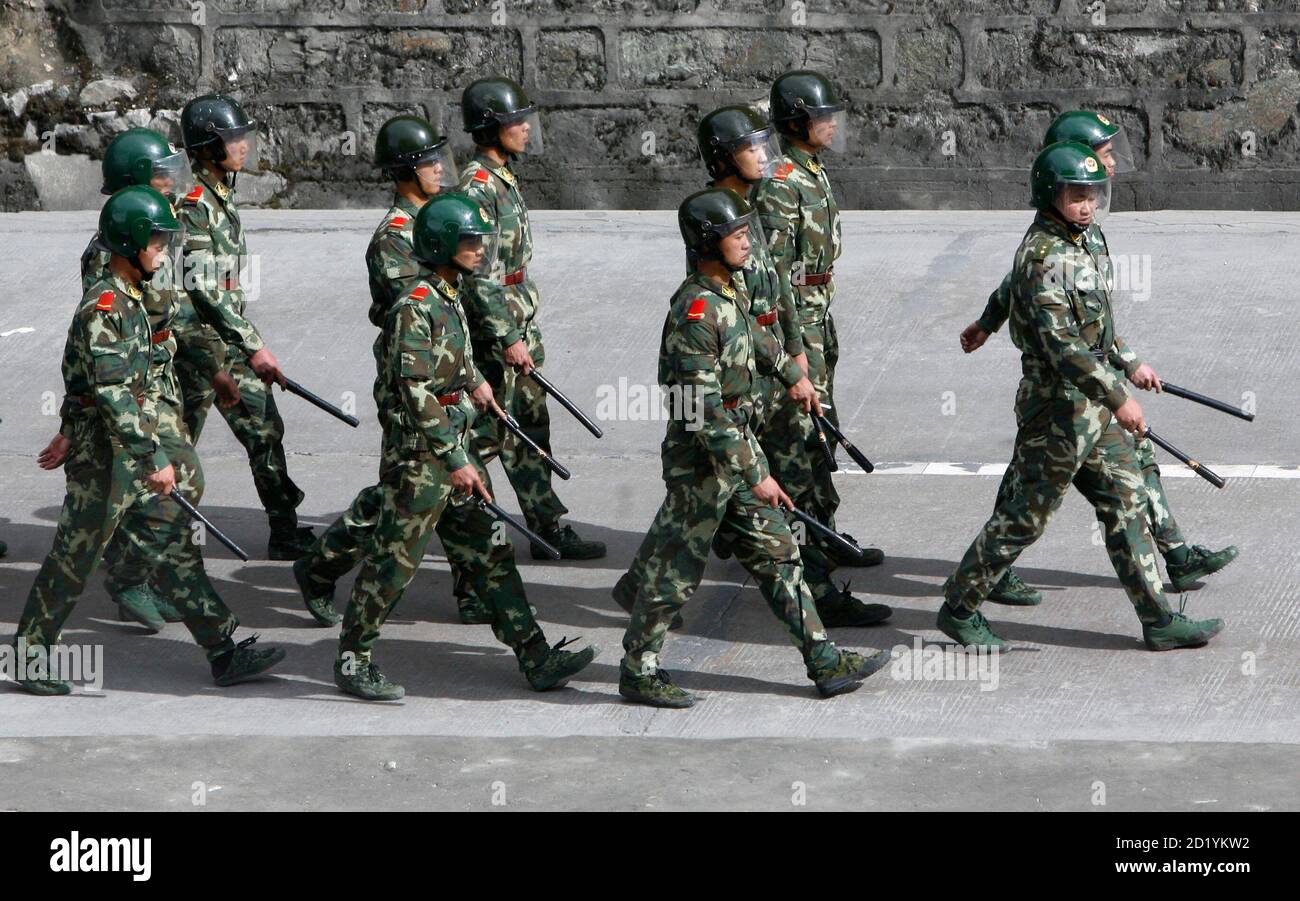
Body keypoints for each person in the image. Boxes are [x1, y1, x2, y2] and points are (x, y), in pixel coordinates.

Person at [938, 142, 1225, 652]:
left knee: (1127, 501)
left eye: (1093, 195)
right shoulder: (1043, 257)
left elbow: (1097, 325)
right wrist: (1118, 397)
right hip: (1057, 409)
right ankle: (959, 607)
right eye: (1076, 195)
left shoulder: (1084, 239)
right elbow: (1064, 346)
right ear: (1049, 195)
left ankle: (1159, 620)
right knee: (1026, 516)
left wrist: (1128, 362)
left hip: (1092, 403)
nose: (1088, 205)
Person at [617, 188, 890, 708]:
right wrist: (756, 473)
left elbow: (757, 340)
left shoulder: (729, 292)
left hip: (738, 453)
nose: (747, 243)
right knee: (674, 574)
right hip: (703, 465)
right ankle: (638, 671)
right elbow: (700, 410)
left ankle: (825, 663)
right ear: (707, 242)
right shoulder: (695, 313)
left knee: (780, 553)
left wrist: (792, 375)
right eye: (737, 235)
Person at [15, 186, 286, 695]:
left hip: (128, 443)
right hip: (108, 455)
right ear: (130, 244)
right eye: (157, 243)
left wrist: (75, 430)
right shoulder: (105, 308)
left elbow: (98, 378)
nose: (164, 253)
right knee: (75, 555)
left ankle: (223, 649)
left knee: (173, 534)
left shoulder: (134, 298)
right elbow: (111, 392)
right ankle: (30, 655)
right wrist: (151, 457)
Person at [333, 193, 597, 700]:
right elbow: (414, 390)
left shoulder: (449, 293)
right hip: (422, 458)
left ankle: (536, 655)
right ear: (442, 245)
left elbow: (454, 356)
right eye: (470, 241)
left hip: (454, 446)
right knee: (394, 563)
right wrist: (454, 459)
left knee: (491, 552)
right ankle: (353, 658)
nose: (479, 249)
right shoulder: (414, 307)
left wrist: (477, 383)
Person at [455, 76, 605, 561]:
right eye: (515, 121)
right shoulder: (478, 187)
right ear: (490, 127)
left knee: (530, 428)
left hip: (519, 320)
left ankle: (546, 526)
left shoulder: (503, 177)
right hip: (497, 333)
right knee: (488, 434)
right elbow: (477, 276)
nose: (525, 129)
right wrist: (506, 338)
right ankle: (467, 528)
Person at [754, 69, 882, 570]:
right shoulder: (781, 182)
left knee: (820, 425)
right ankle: (803, 538)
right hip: (798, 322)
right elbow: (776, 273)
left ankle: (821, 529)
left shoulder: (811, 169)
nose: (832, 124)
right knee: (803, 429)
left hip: (817, 314)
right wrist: (793, 346)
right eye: (822, 116)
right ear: (796, 122)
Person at [177, 93, 312, 560]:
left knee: (264, 430)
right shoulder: (193, 205)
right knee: (174, 451)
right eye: (233, 138)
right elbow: (202, 289)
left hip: (229, 341)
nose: (244, 145)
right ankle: (143, 546)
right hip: (195, 349)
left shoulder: (221, 195)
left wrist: (246, 344)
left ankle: (284, 532)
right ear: (208, 147)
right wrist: (254, 346)